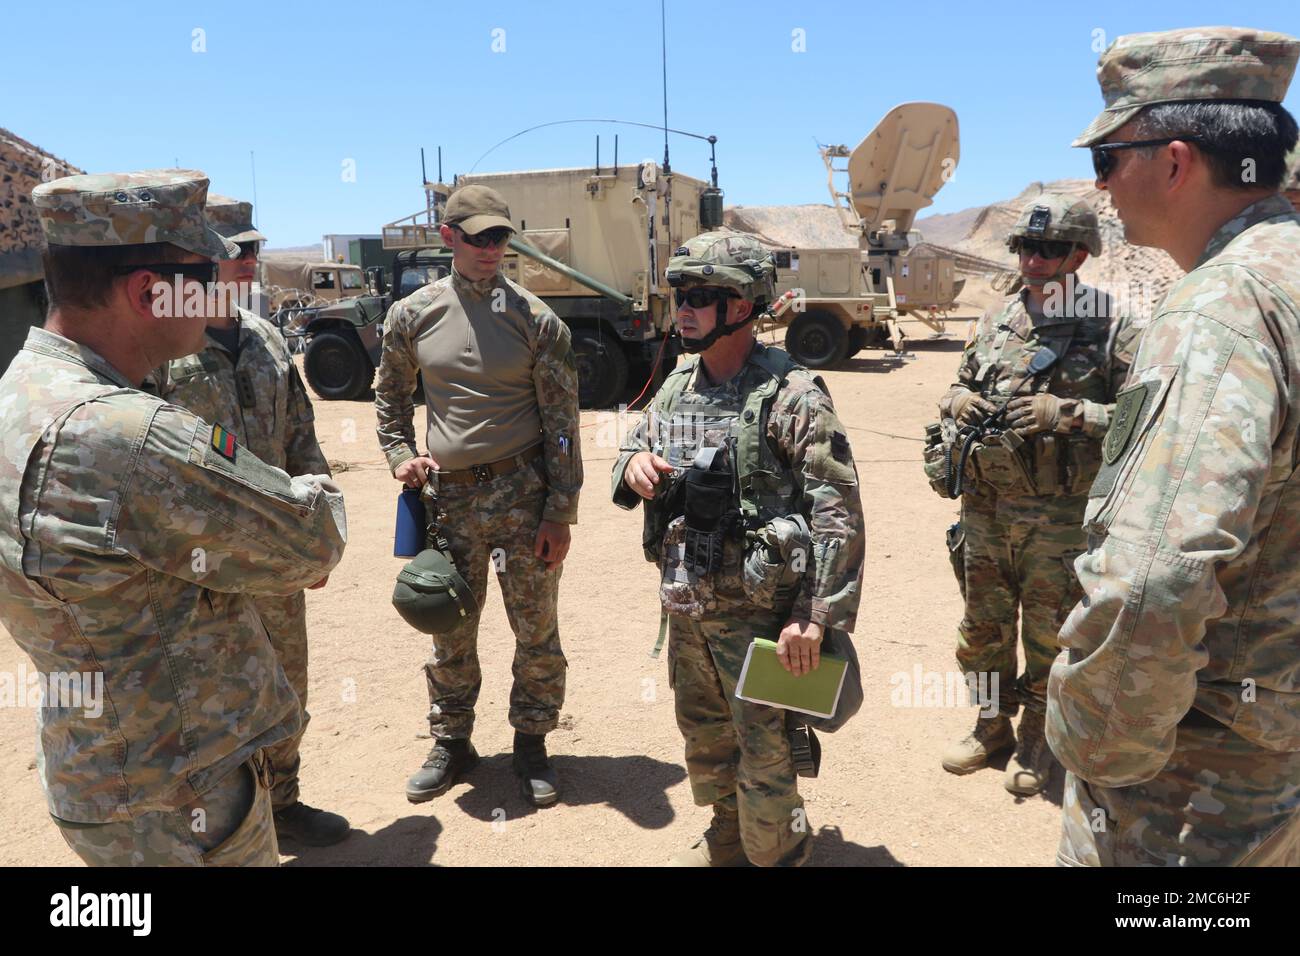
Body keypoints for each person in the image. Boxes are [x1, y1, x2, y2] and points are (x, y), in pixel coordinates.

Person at [0, 170, 346, 866]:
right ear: (146, 293)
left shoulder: (19, 396)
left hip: (98, 772)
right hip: (181, 789)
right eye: (202, 274)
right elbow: (314, 539)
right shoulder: (130, 434)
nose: (219, 290)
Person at [1049, 26, 1300, 866]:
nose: (1102, 188)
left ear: (1175, 161)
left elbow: (1157, 572)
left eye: (1108, 159)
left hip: (1199, 783)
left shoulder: (1220, 310)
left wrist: (1100, 747)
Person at [612, 232, 864, 866]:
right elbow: (632, 448)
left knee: (767, 742)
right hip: (688, 604)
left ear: (746, 305)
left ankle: (777, 850)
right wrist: (634, 463)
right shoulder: (674, 387)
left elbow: (837, 513)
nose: (685, 308)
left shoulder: (791, 394)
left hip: (761, 612)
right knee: (704, 732)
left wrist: (814, 615)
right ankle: (729, 827)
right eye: (680, 295)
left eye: (702, 296)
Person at [374, 184, 582, 807]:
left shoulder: (537, 320)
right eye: (479, 238)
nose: (493, 249)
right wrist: (399, 456)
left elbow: (564, 428)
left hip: (524, 497)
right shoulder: (411, 316)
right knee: (449, 628)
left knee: (535, 628)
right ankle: (452, 741)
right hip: (451, 504)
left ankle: (532, 742)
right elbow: (388, 400)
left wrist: (560, 513)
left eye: (501, 238)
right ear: (449, 239)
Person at [154, 194, 349, 847]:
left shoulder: (265, 338)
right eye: (232, 250)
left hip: (273, 556)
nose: (247, 262)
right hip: (198, 567)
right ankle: (224, 825)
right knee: (207, 698)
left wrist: (315, 535)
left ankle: (284, 802)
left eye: (254, 250)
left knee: (285, 685)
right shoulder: (160, 351)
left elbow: (301, 435)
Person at [934, 195, 1141, 796]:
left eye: (1049, 249)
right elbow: (959, 382)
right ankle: (990, 723)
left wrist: (1070, 413)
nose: (1034, 259)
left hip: (1061, 514)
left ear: (1079, 254)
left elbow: (1141, 417)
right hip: (986, 505)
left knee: (1052, 630)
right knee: (983, 626)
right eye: (1026, 247)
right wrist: (956, 400)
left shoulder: (1110, 325)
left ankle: (1040, 735)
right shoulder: (996, 320)